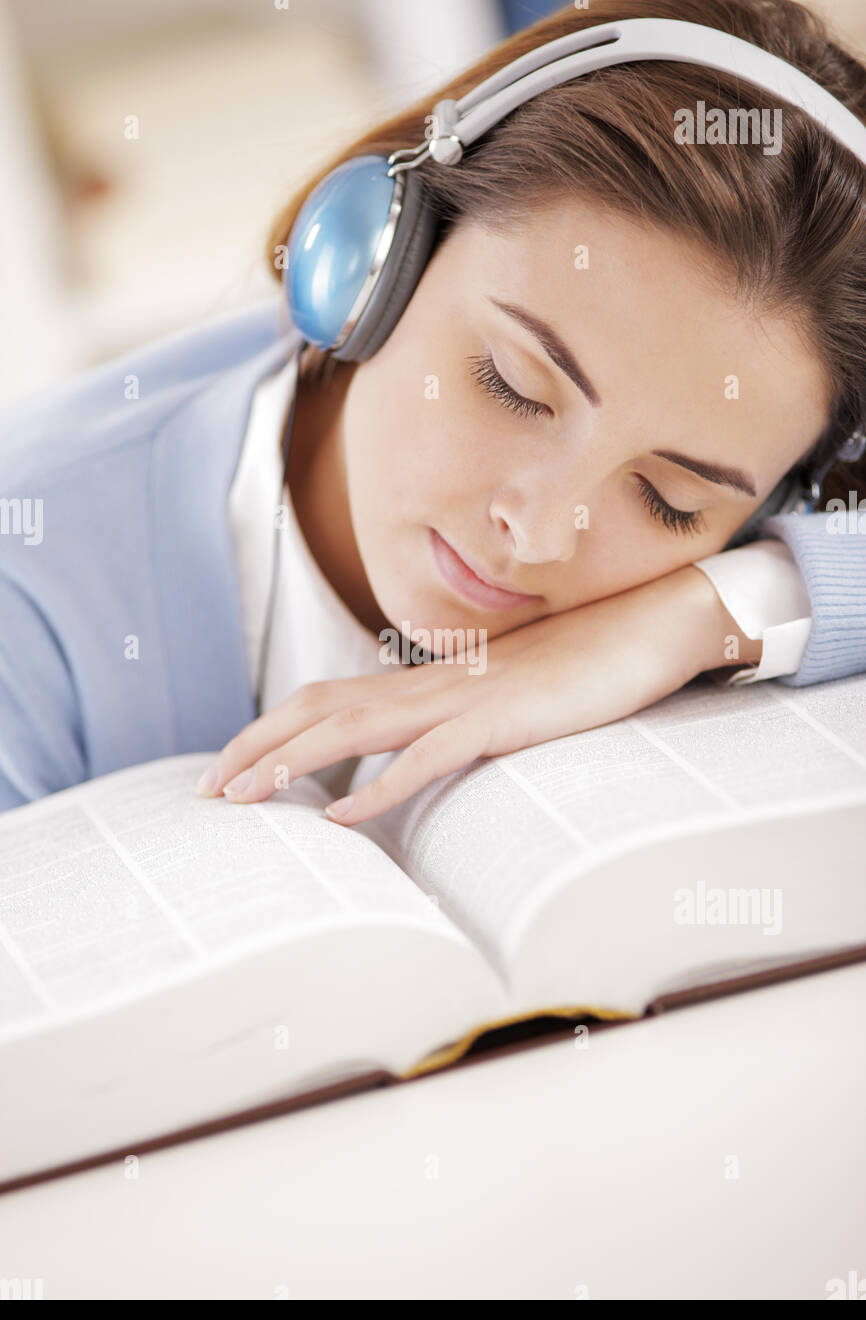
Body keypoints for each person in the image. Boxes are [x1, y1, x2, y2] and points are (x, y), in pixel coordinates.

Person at [1, 0, 864, 823]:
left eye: (668, 501)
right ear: (377, 258)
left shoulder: (750, 533)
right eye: (512, 385)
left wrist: (699, 616)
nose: (536, 534)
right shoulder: (33, 584)